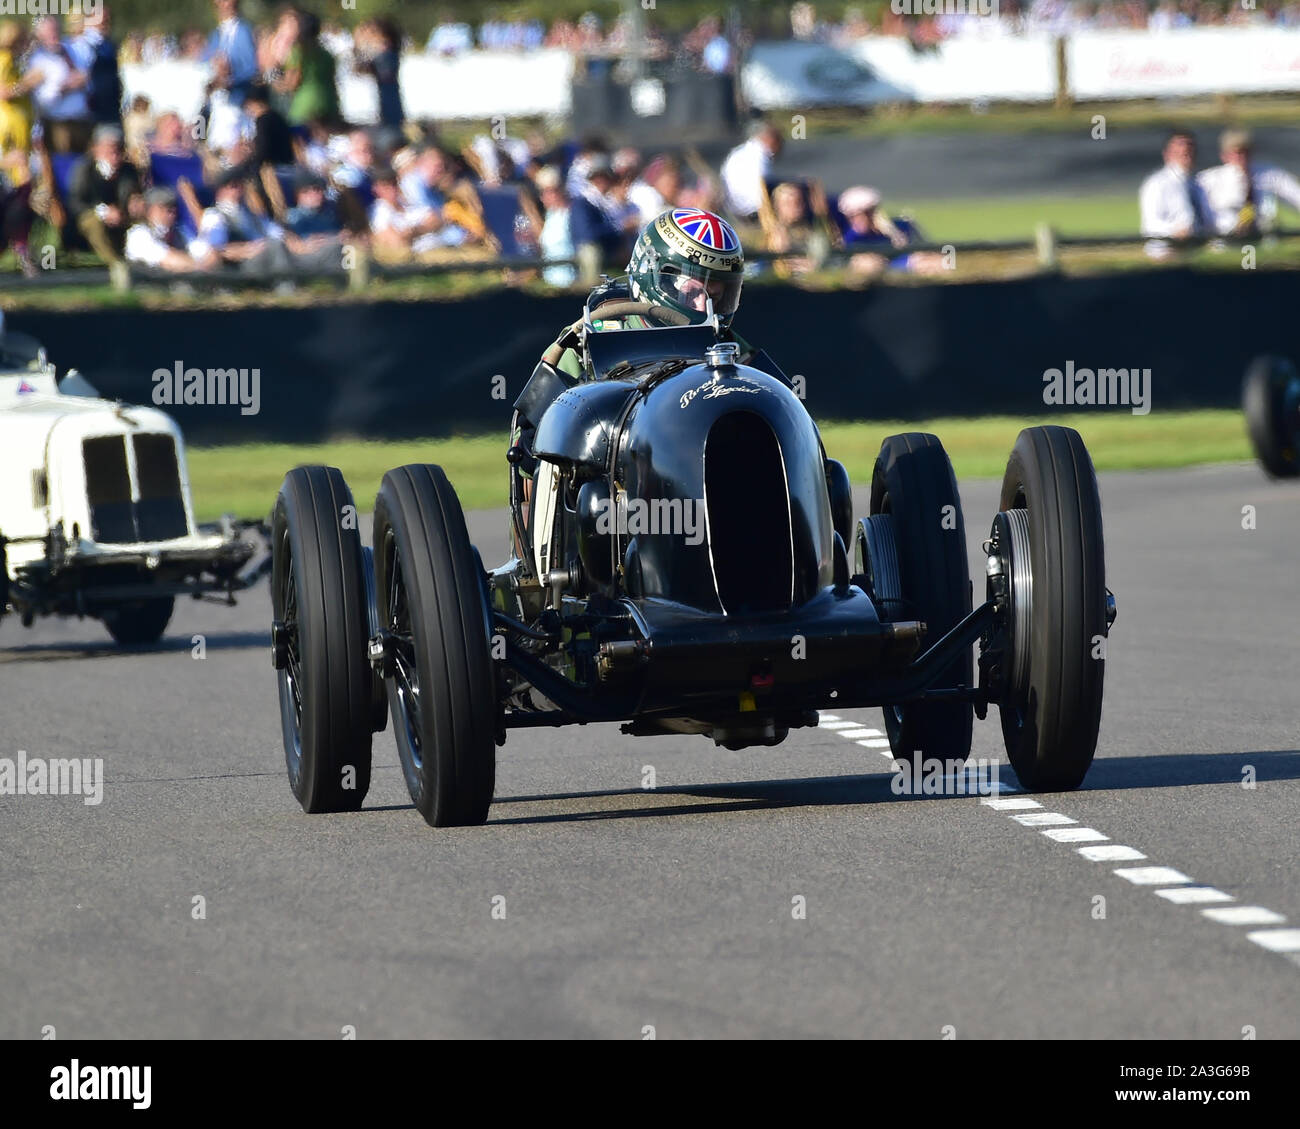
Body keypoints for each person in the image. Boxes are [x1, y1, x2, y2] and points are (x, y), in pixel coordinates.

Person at [1197, 128, 1300, 238]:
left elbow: (1295, 193)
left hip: (1260, 236)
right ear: (1224, 156)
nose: (1242, 157)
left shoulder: (1269, 173)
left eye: (1246, 152)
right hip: (1223, 239)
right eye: (1236, 152)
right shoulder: (1209, 179)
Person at [69, 124, 140, 266]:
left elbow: (133, 195)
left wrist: (136, 204)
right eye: (109, 151)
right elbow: (75, 202)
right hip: (90, 216)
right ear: (96, 150)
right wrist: (103, 211)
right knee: (93, 223)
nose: (114, 156)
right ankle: (115, 264)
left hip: (122, 215)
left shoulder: (128, 171)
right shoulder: (84, 169)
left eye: (117, 151)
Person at [1139, 128, 1212, 258]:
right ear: (1167, 154)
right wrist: (1174, 231)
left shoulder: (1198, 184)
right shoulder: (1157, 183)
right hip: (1167, 254)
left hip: (1197, 252)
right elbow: (1150, 224)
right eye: (1180, 148)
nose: (1185, 151)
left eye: (1189, 148)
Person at [24, 15, 92, 154]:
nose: (54, 33)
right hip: (59, 125)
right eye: (49, 30)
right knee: (65, 167)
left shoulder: (72, 49)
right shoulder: (37, 60)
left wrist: (84, 79)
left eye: (55, 29)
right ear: (39, 34)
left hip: (82, 119)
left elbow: (89, 75)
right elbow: (41, 100)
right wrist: (64, 88)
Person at [124, 185, 220, 272]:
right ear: (149, 211)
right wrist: (201, 266)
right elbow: (169, 260)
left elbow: (207, 252)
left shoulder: (179, 233)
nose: (169, 214)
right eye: (162, 209)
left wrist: (210, 257)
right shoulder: (138, 234)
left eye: (172, 210)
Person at [720, 121, 783, 222]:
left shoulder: (737, 152)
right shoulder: (760, 155)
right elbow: (763, 185)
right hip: (755, 212)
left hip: (733, 209)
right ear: (771, 140)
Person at [205, 0, 259, 107]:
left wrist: (230, 78)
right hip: (218, 104)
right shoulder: (215, 35)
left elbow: (252, 68)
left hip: (240, 102)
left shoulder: (243, 31)